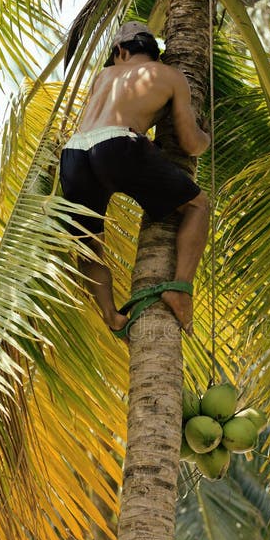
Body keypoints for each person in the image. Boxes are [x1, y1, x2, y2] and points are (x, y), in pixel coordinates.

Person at [60, 21, 210, 338]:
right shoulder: (169, 75)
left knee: (87, 244)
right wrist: (206, 138)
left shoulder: (103, 77)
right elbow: (189, 143)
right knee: (198, 206)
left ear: (121, 50)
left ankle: (112, 316)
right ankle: (180, 288)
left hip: (74, 152)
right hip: (117, 146)